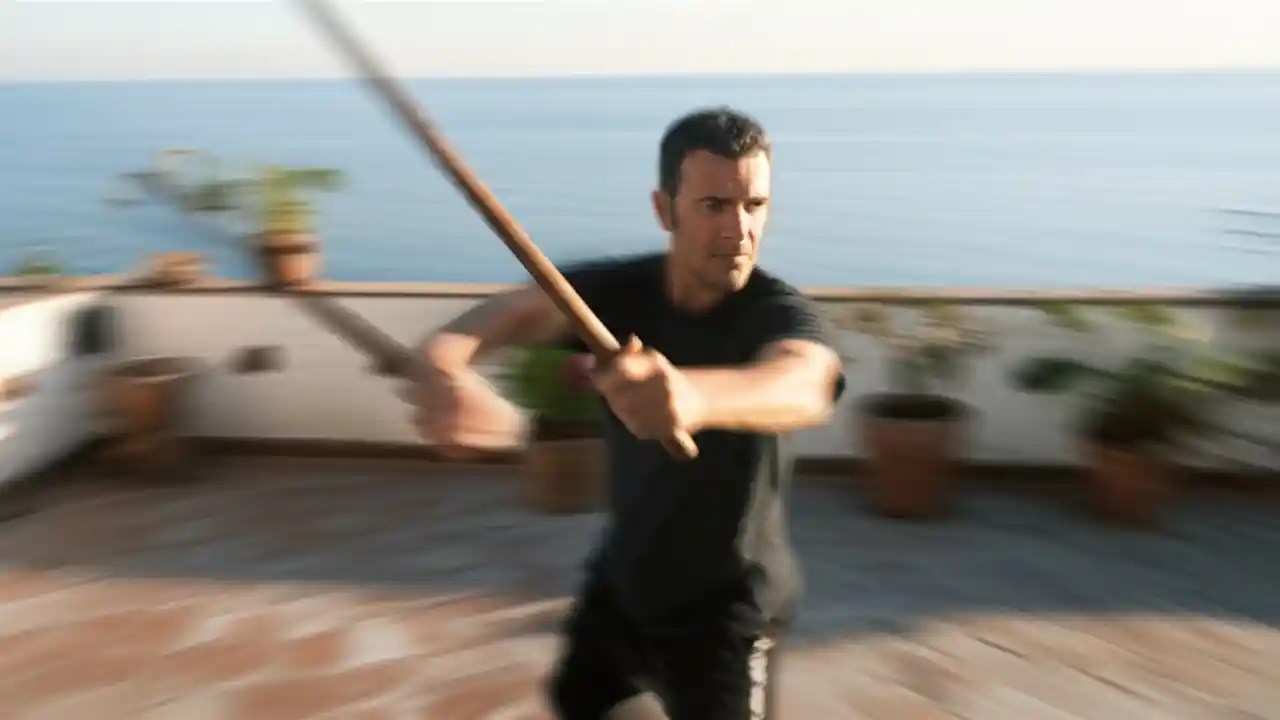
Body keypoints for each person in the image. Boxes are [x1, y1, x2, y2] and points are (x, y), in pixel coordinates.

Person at [406, 107, 846, 719]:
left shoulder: (775, 311)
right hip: (625, 582)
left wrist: (692, 397)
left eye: (755, 206)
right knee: (582, 697)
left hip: (728, 611)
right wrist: (441, 367)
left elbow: (804, 383)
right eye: (715, 205)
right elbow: (505, 313)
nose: (740, 230)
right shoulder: (618, 294)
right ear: (664, 210)